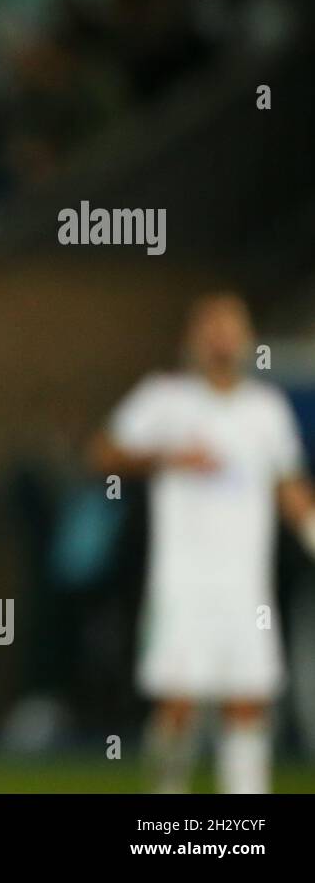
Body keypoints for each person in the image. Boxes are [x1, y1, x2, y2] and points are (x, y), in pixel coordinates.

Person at [89, 291, 315, 793]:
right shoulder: (164, 399)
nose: (221, 340)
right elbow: (102, 453)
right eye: (211, 328)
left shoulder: (266, 409)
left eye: (231, 329)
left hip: (244, 586)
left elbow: (290, 488)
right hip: (182, 582)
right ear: (192, 338)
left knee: (247, 701)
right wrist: (165, 457)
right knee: (179, 703)